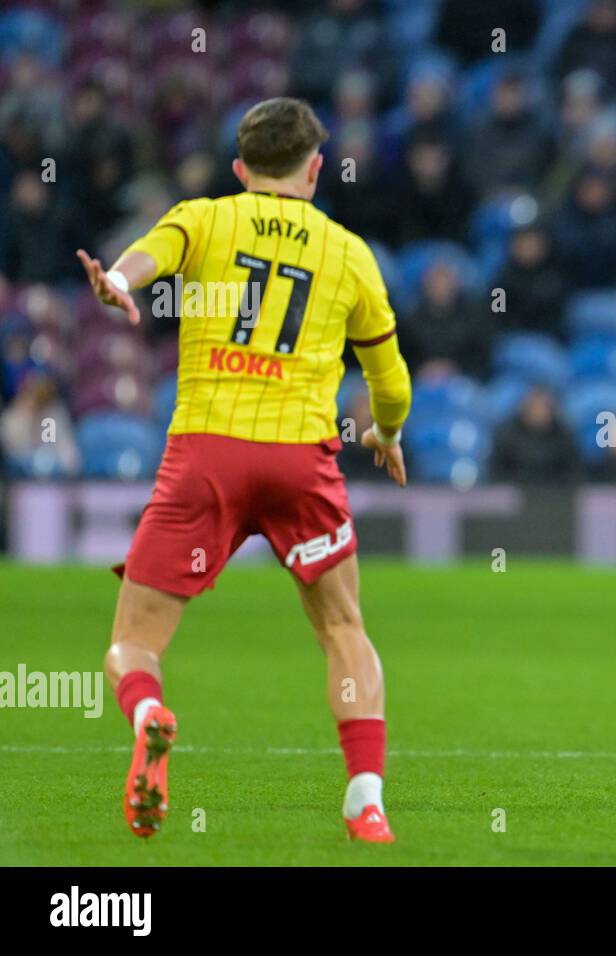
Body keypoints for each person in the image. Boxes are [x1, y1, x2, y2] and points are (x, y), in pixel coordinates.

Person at [75, 97, 412, 843]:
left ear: (240, 168)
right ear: (316, 169)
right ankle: (366, 800)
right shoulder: (349, 251)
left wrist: (121, 285)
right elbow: (391, 382)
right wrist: (387, 433)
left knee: (134, 641)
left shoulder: (205, 217)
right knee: (343, 626)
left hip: (206, 455)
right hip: (301, 460)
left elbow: (146, 256)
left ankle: (150, 712)